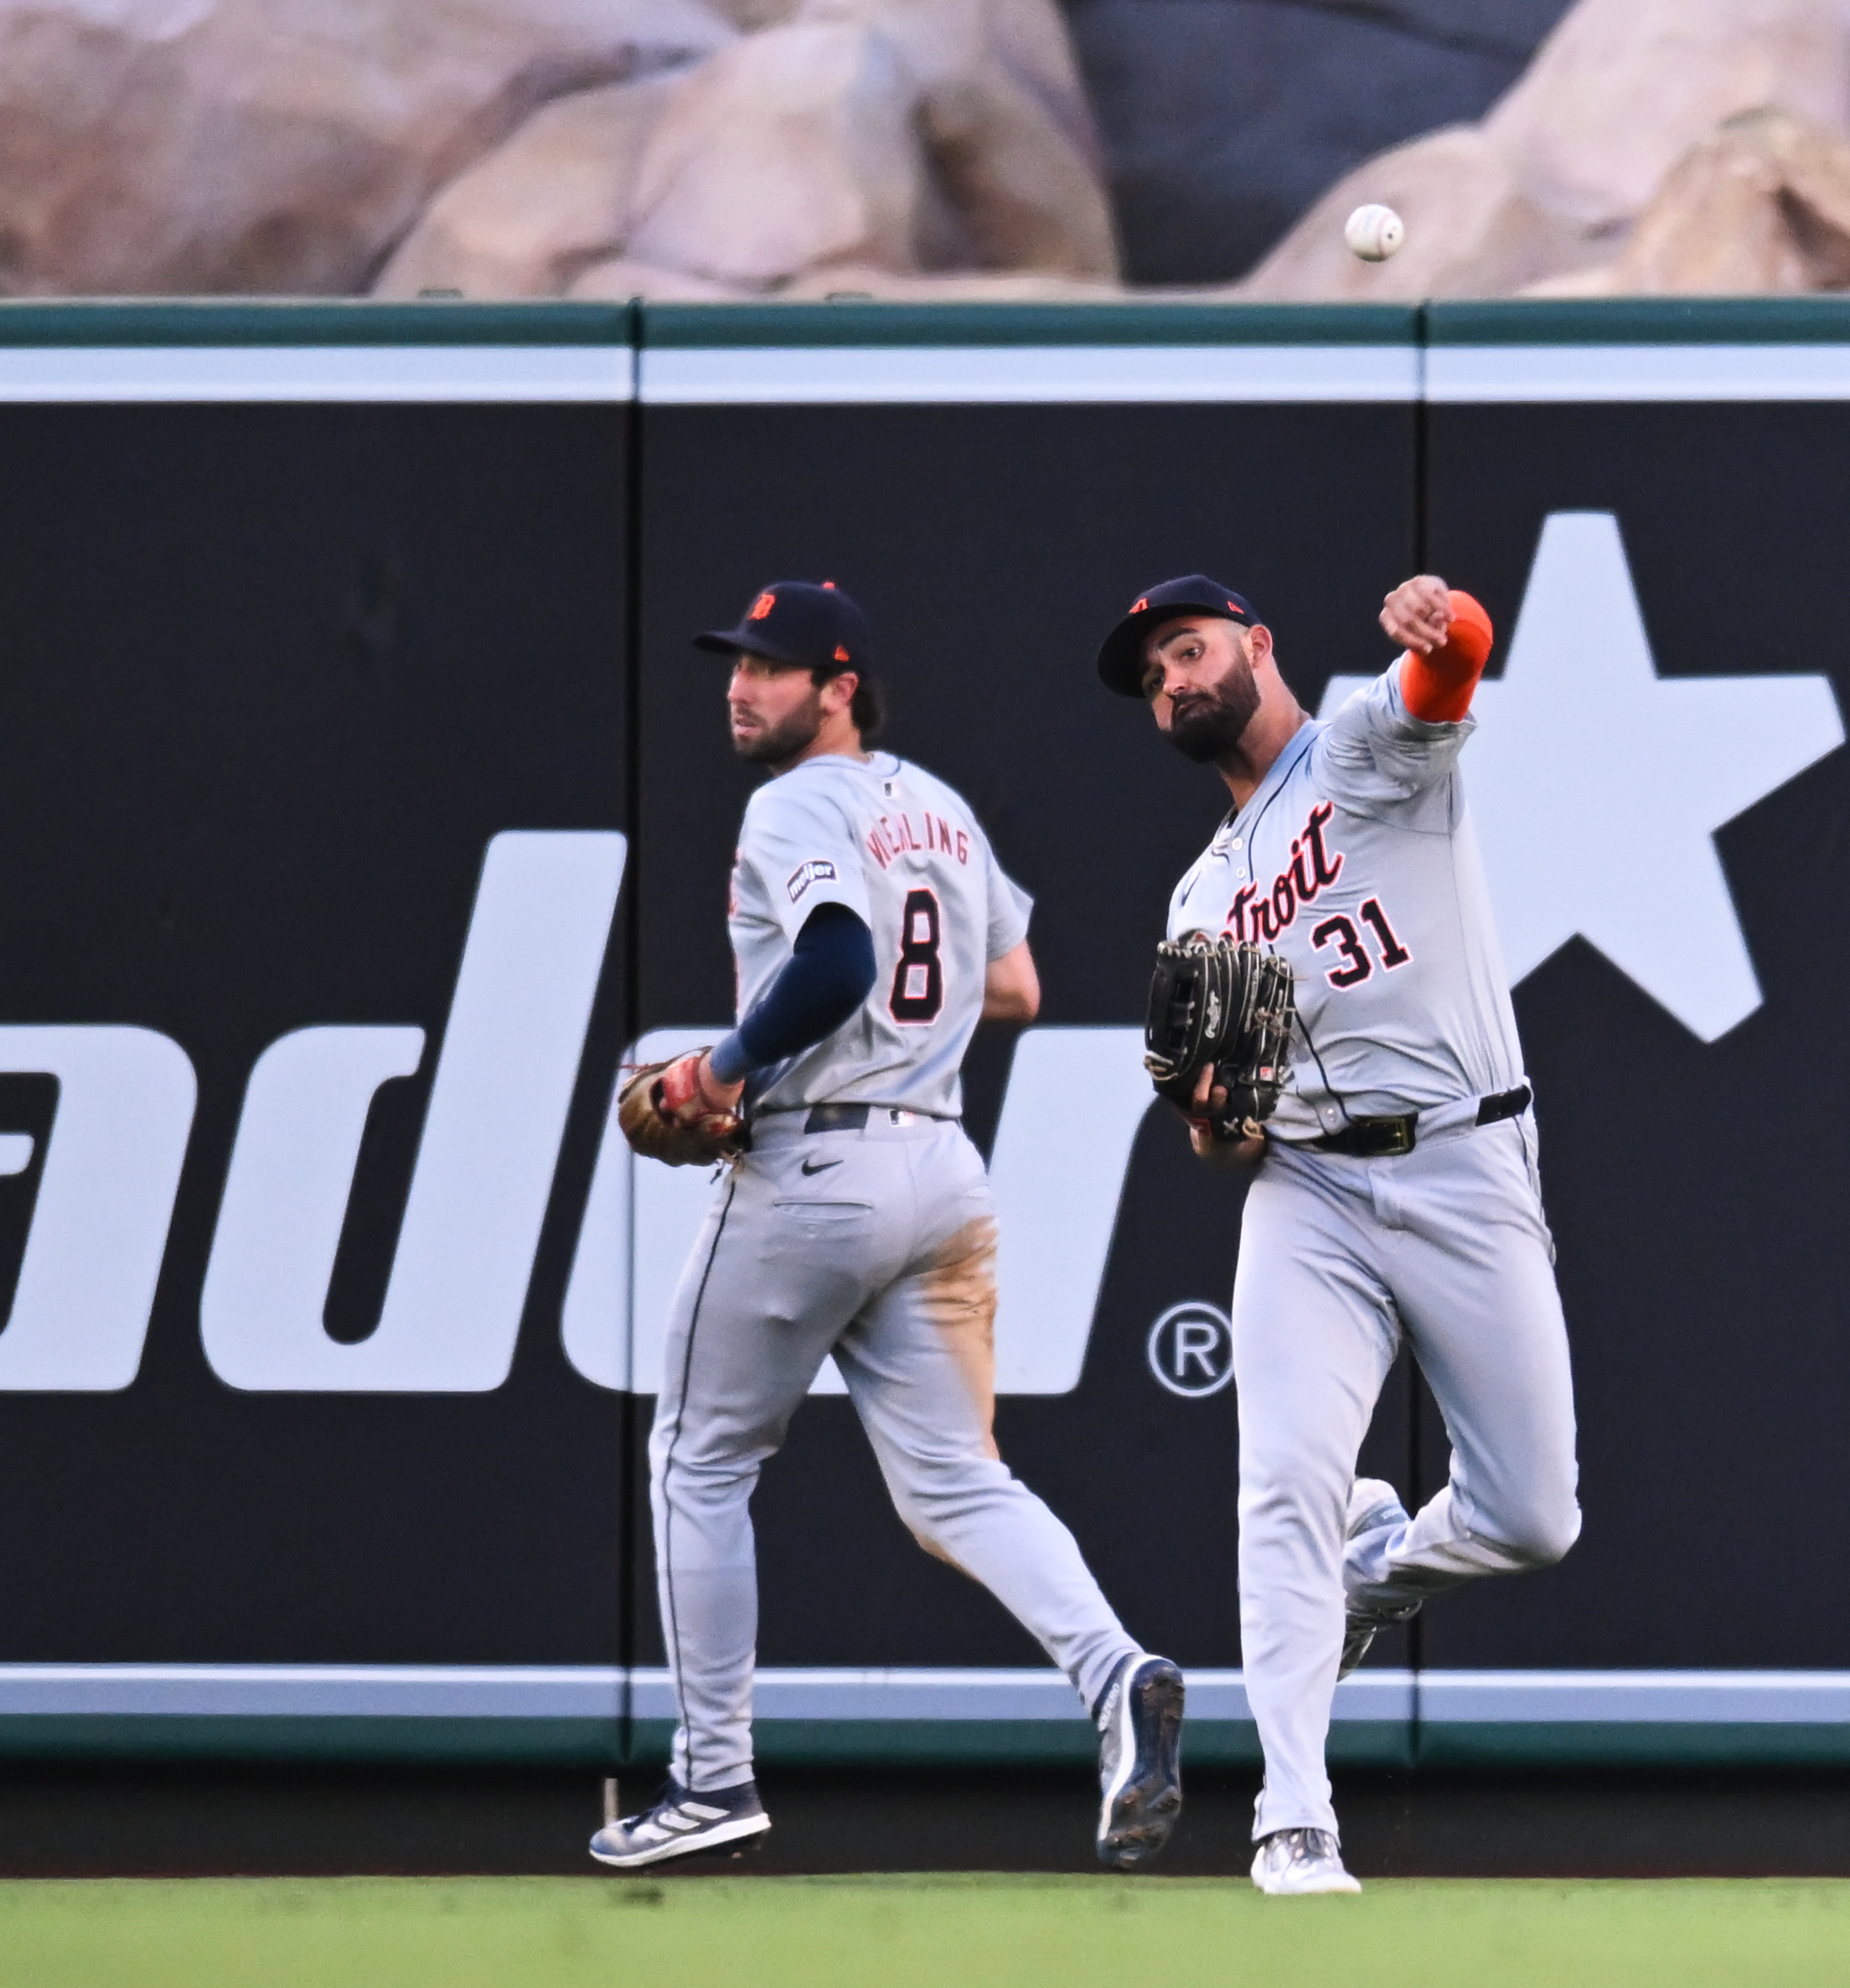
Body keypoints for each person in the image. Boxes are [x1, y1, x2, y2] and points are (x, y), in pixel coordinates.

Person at [592, 579, 1184, 1872]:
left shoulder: (794, 800)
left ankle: (712, 1777)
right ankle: (1117, 1673)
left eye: (772, 668)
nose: (742, 687)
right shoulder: (945, 810)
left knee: (697, 1458)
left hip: (817, 1169)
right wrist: (897, 1045)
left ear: (840, 686)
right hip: (940, 1170)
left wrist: (727, 1066)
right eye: (736, 665)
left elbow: (843, 960)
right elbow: (1017, 984)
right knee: (958, 1482)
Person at [1097, 573, 1583, 1895]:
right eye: (1152, 679)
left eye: (1187, 652)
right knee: (1286, 1483)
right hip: (1306, 1191)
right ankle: (1292, 1812)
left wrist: (1454, 620)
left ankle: (1370, 1576)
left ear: (1260, 642)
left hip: (1464, 1157)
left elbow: (1450, 668)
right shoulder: (1199, 901)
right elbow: (1229, 1142)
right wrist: (1212, 1122)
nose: (1172, 685)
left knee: (1536, 1515)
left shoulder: (1364, 745)